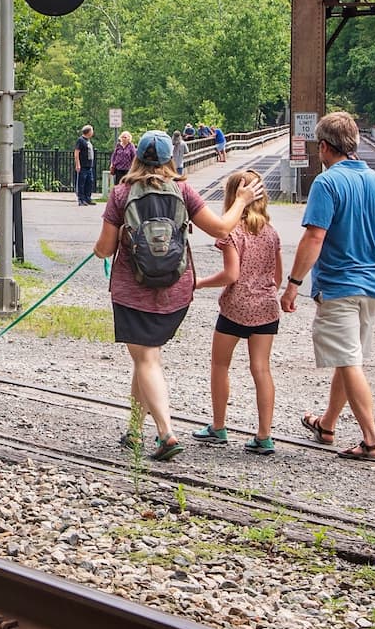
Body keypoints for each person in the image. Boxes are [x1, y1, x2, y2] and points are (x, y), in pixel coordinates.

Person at [92, 131, 265, 460]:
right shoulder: (183, 191)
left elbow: (105, 247)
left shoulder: (121, 193)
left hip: (133, 292)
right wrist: (241, 201)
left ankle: (166, 433)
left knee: (146, 359)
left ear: (137, 159)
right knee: (146, 357)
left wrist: (98, 249)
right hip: (175, 291)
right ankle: (134, 430)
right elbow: (221, 228)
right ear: (170, 158)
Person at [282, 111, 375, 461]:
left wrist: (292, 285)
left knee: (350, 361)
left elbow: (314, 238)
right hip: (373, 289)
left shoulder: (326, 184)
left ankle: (371, 441)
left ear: (324, 146)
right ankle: (326, 425)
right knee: (347, 357)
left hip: (339, 287)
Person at [193, 170, 283, 453]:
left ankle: (218, 427)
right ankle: (264, 436)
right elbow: (278, 277)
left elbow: (231, 274)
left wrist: (199, 282)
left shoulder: (232, 232)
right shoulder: (271, 232)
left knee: (220, 365)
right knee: (261, 368)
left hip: (235, 307)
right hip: (266, 308)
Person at [73, 124, 97, 206]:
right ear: (88, 132)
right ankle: (81, 199)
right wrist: (78, 164)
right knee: (81, 183)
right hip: (83, 165)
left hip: (89, 165)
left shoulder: (88, 140)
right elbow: (76, 153)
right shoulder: (80, 140)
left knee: (89, 182)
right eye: (92, 130)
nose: (93, 132)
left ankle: (88, 198)